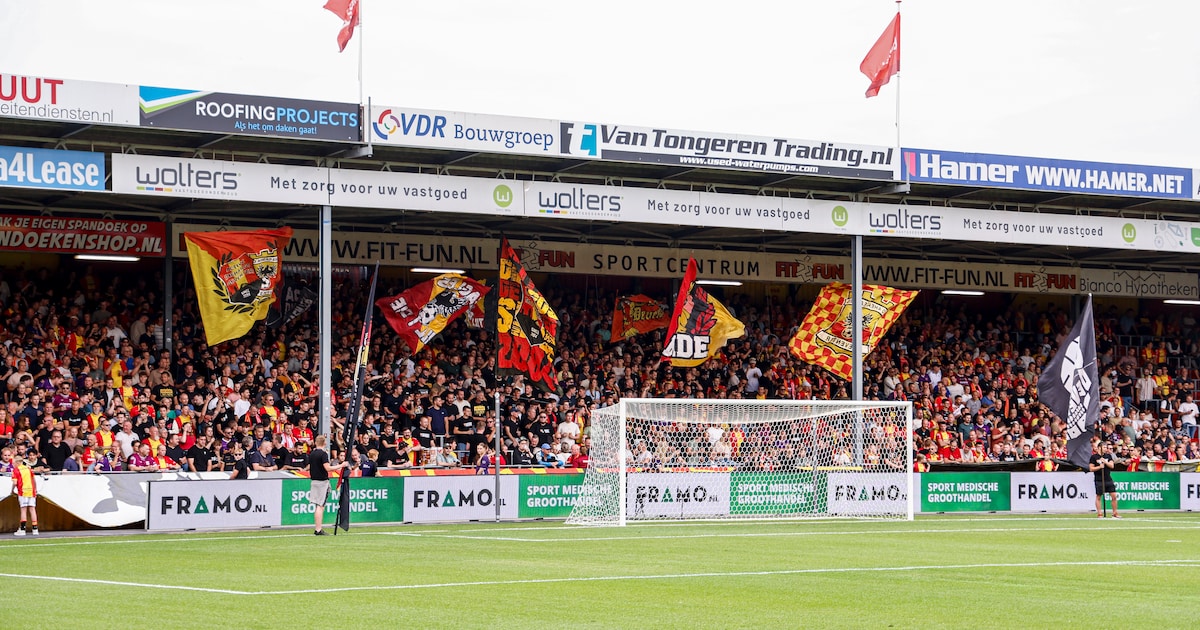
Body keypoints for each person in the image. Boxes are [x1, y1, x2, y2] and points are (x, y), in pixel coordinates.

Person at [309, 434, 346, 536]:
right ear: (324, 443)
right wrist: (341, 465)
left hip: (314, 480)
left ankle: (318, 528)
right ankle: (318, 529)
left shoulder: (312, 454)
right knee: (320, 506)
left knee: (319, 505)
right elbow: (328, 468)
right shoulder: (323, 454)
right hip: (321, 481)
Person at [8, 447, 39, 535]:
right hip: (31, 491)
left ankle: (22, 529)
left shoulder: (16, 470)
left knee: (23, 510)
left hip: (23, 491)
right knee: (32, 509)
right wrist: (35, 490)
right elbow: (34, 480)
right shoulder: (28, 469)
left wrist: (12, 490)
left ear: (17, 462)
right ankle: (35, 529)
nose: (13, 465)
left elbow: (15, 482)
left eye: (13, 463)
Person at [1089, 441, 1120, 519]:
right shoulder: (1094, 457)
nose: (1106, 449)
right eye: (1104, 447)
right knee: (1099, 496)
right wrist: (1099, 467)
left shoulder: (1108, 456)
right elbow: (1091, 468)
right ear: (1099, 448)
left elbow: (1112, 466)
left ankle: (1115, 513)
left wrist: (1105, 462)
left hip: (1108, 478)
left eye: (1107, 447)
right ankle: (1099, 513)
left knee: (1114, 496)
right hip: (1099, 479)